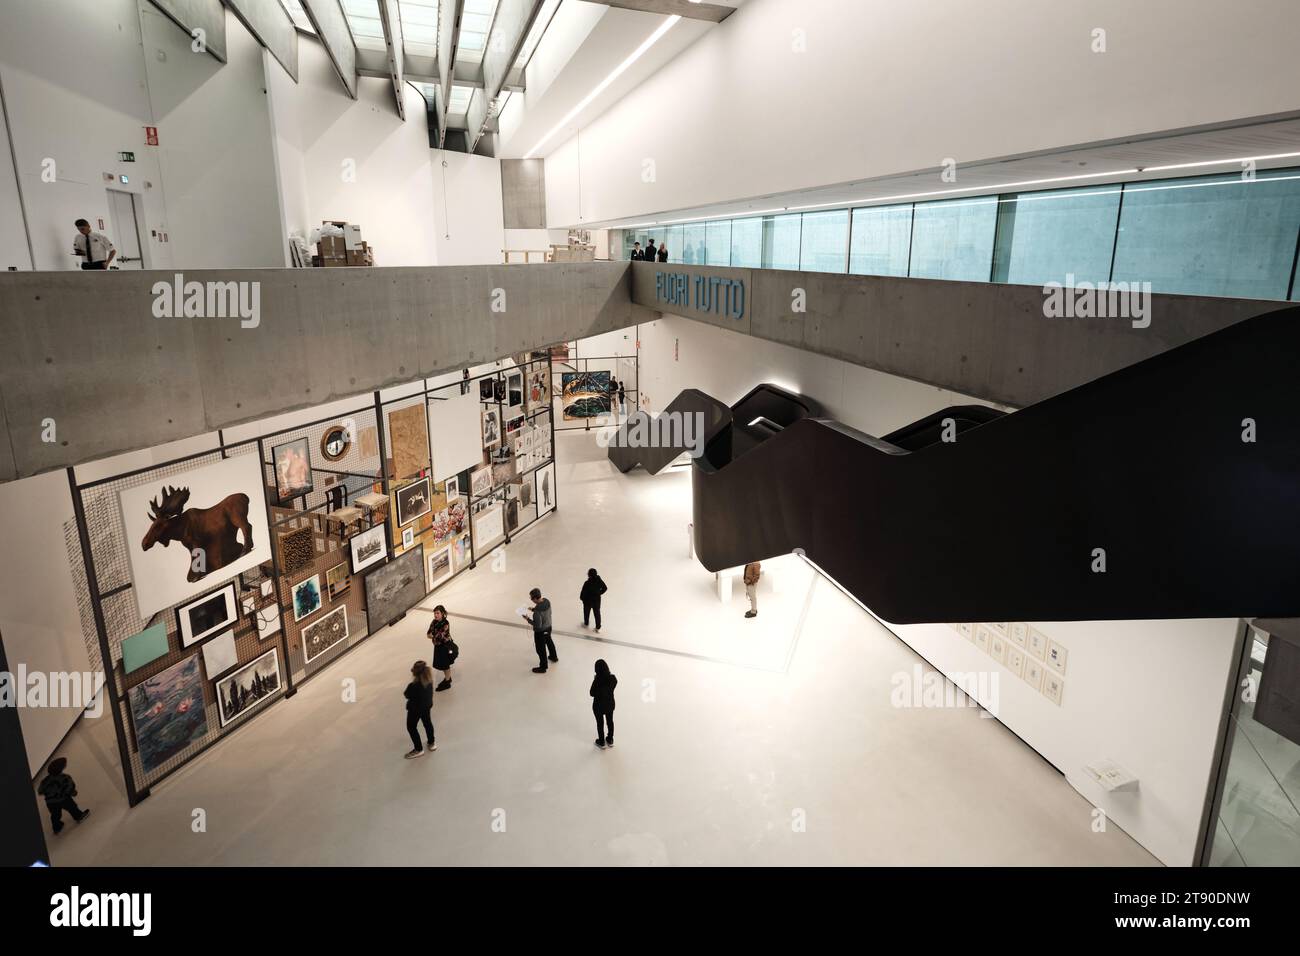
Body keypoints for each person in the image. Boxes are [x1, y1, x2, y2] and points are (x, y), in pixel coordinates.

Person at [37, 757, 89, 834]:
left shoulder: (45, 780)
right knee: (72, 808)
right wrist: (73, 793)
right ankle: (79, 816)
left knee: (55, 814)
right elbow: (70, 788)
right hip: (64, 799)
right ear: (62, 767)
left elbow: (40, 791)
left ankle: (57, 827)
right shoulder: (65, 777)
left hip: (50, 802)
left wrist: (49, 793)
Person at [403, 660, 436, 758]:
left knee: (411, 727)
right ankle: (431, 743)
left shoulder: (413, 686)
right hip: (426, 706)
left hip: (415, 709)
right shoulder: (429, 681)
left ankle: (418, 749)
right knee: (427, 723)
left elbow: (406, 694)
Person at [523, 587, 556, 673]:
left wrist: (528, 619)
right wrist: (533, 609)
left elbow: (537, 625)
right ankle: (553, 657)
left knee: (540, 649)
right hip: (549, 627)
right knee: (549, 641)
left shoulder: (537, 612)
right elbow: (545, 612)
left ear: (535, 598)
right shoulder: (546, 601)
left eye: (531, 598)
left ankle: (543, 667)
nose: (531, 600)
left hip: (540, 632)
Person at [427, 605, 458, 691]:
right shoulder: (434, 622)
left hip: (445, 647)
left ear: (442, 613)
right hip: (437, 647)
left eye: (437, 613)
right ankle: (447, 678)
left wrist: (433, 635)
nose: (435, 615)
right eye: (435, 613)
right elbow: (428, 634)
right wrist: (434, 635)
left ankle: (447, 681)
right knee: (442, 665)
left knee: (445, 665)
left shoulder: (445, 623)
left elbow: (439, 636)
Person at [591, 659, 618, 749]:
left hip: (598, 706)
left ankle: (601, 741)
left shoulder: (597, 681)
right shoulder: (613, 678)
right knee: (610, 721)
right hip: (610, 704)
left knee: (600, 723)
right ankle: (610, 739)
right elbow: (613, 685)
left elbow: (591, 693)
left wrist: (595, 680)